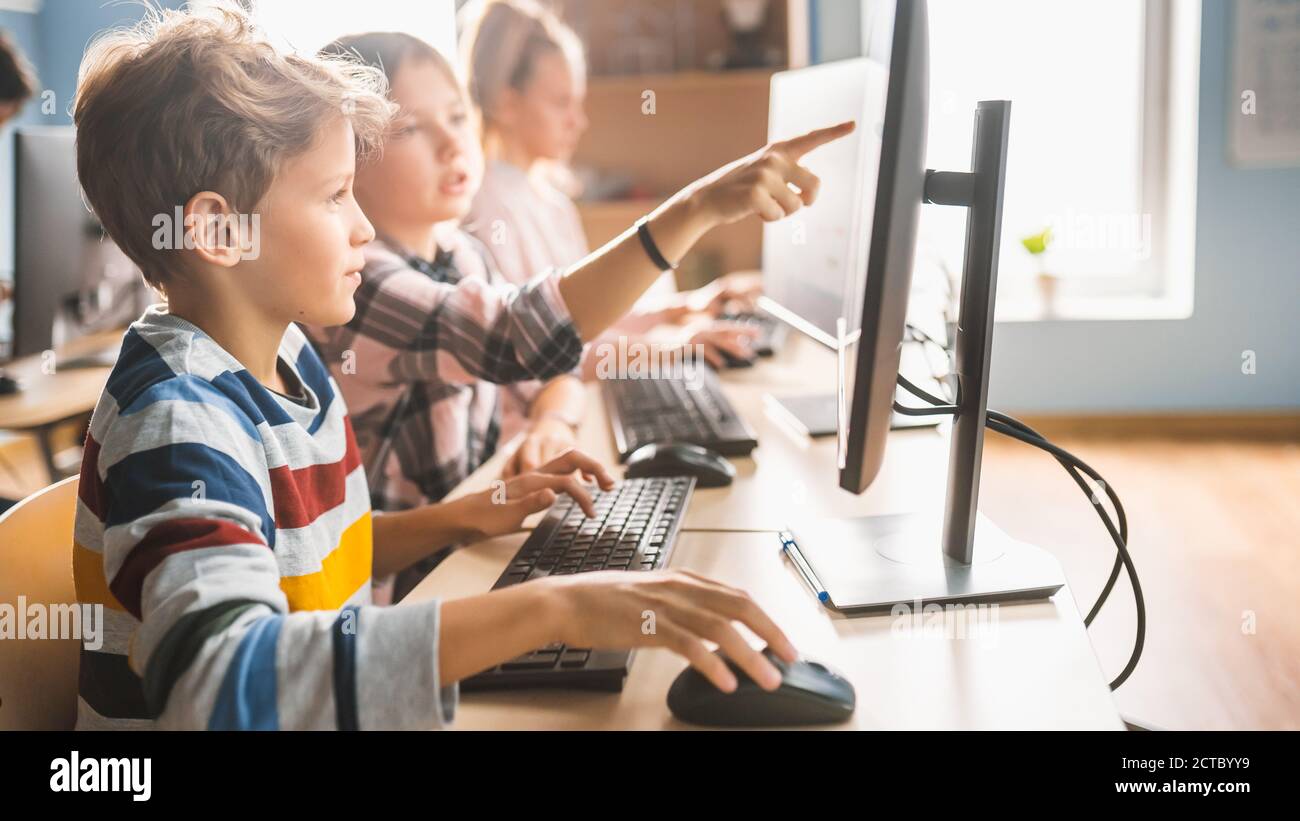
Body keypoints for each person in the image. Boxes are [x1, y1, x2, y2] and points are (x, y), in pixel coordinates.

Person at [70, 1, 849, 729]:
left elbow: (304, 554)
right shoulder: (177, 420)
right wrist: (560, 609)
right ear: (218, 232)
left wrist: (463, 517)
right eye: (337, 195)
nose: (364, 226)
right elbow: (219, 683)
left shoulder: (285, 358)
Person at [460, 0, 765, 445]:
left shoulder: (551, 200)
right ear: (506, 103)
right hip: (529, 437)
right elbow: (548, 352)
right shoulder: (488, 208)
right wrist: (671, 347)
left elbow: (583, 321)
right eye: (561, 103)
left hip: (576, 411)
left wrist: (682, 309)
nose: (578, 121)